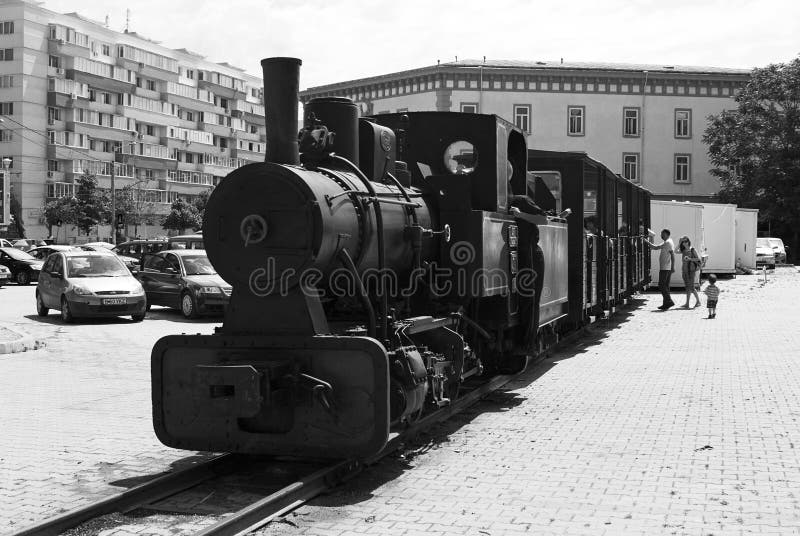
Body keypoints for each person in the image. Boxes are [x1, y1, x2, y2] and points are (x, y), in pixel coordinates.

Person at [645, 228, 675, 310]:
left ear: (667, 234)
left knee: (661, 285)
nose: (661, 235)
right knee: (666, 286)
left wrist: (646, 241)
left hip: (665, 268)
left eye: (662, 234)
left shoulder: (668, 243)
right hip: (666, 267)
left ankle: (669, 301)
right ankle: (666, 304)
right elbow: (656, 247)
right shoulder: (668, 242)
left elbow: (656, 248)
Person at [677, 236, 702, 308]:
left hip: (691, 271)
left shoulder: (692, 249)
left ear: (688, 242)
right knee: (687, 287)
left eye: (685, 241)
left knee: (691, 287)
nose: (684, 243)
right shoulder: (683, 250)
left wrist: (690, 259)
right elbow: (675, 251)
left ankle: (698, 301)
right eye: (683, 242)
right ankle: (687, 303)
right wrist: (679, 243)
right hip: (684, 270)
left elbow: (698, 259)